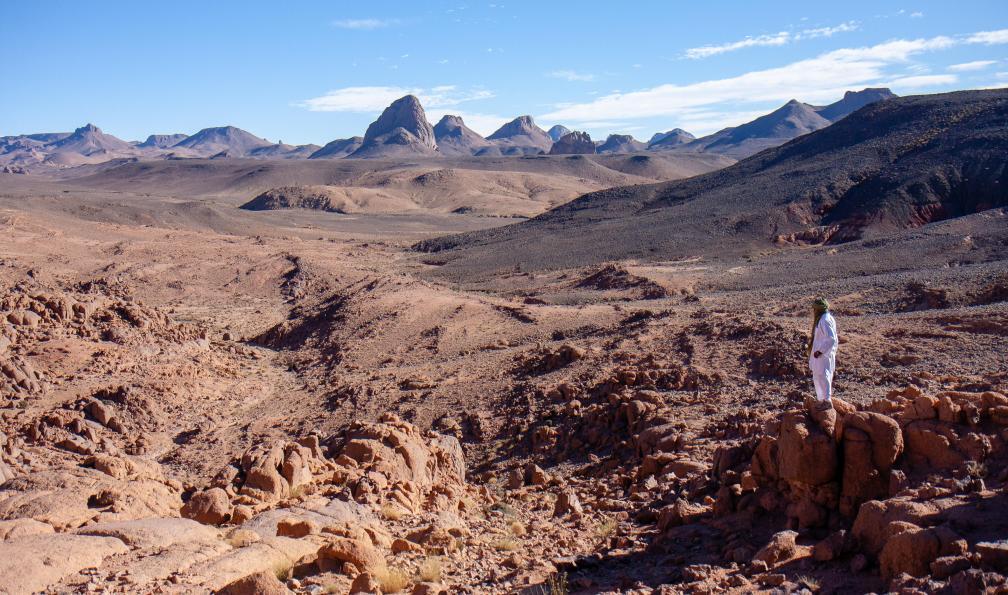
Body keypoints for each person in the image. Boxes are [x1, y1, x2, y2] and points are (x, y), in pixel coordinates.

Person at [808, 296, 838, 406]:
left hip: (823, 355)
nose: (814, 311)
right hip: (820, 355)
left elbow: (831, 339)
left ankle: (827, 400)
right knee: (818, 376)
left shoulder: (825, 320)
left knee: (824, 376)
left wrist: (820, 351)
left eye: (815, 309)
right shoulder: (823, 319)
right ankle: (821, 400)